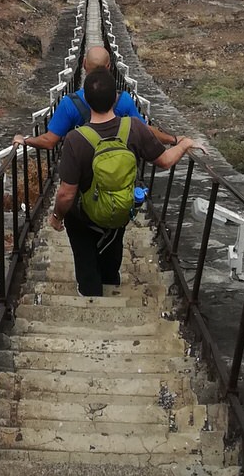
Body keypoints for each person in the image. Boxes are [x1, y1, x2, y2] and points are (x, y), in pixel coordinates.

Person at [50, 67, 199, 297]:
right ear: (116, 99)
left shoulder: (75, 139)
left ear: (87, 101)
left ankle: (91, 292)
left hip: (84, 215)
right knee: (114, 233)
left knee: (81, 239)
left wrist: (57, 216)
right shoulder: (134, 128)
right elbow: (166, 161)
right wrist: (184, 143)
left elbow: (66, 194)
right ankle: (111, 280)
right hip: (120, 205)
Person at [12, 45, 179, 151]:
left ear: (84, 64)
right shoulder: (124, 99)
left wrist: (26, 140)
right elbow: (146, 131)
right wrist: (174, 139)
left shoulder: (69, 103)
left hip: (81, 172)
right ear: (109, 67)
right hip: (116, 174)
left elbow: (49, 141)